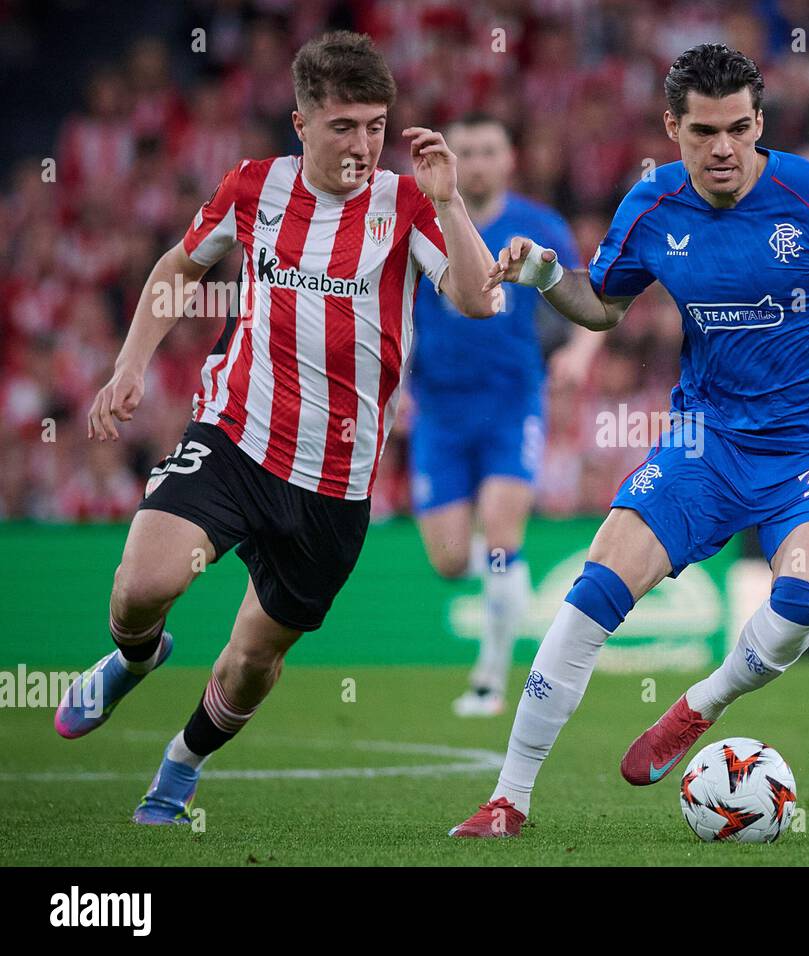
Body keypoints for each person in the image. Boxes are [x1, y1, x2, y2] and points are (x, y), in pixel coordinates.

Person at [450, 43, 809, 839]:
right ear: (672, 127)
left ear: (759, 124)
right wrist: (544, 272)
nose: (724, 149)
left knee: (800, 604)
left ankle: (700, 704)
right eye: (704, 131)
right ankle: (509, 798)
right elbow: (602, 306)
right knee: (597, 586)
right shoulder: (650, 206)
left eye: (740, 129)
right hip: (707, 441)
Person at [55, 30, 498, 825]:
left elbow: (475, 299)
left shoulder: (405, 204)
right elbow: (176, 269)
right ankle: (136, 655)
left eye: (374, 125)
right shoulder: (253, 187)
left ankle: (181, 764)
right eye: (343, 127)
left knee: (254, 658)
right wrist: (128, 367)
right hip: (236, 436)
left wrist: (451, 201)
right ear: (302, 124)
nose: (363, 145)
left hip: (336, 482)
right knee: (141, 589)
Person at [406, 113, 586, 717]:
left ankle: (490, 680)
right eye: (467, 152)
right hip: (439, 412)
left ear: (509, 159)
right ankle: (493, 581)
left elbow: (591, 297)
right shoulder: (421, 220)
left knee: (503, 539)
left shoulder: (539, 226)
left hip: (513, 402)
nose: (477, 162)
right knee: (452, 560)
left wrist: (581, 354)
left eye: (488, 150)